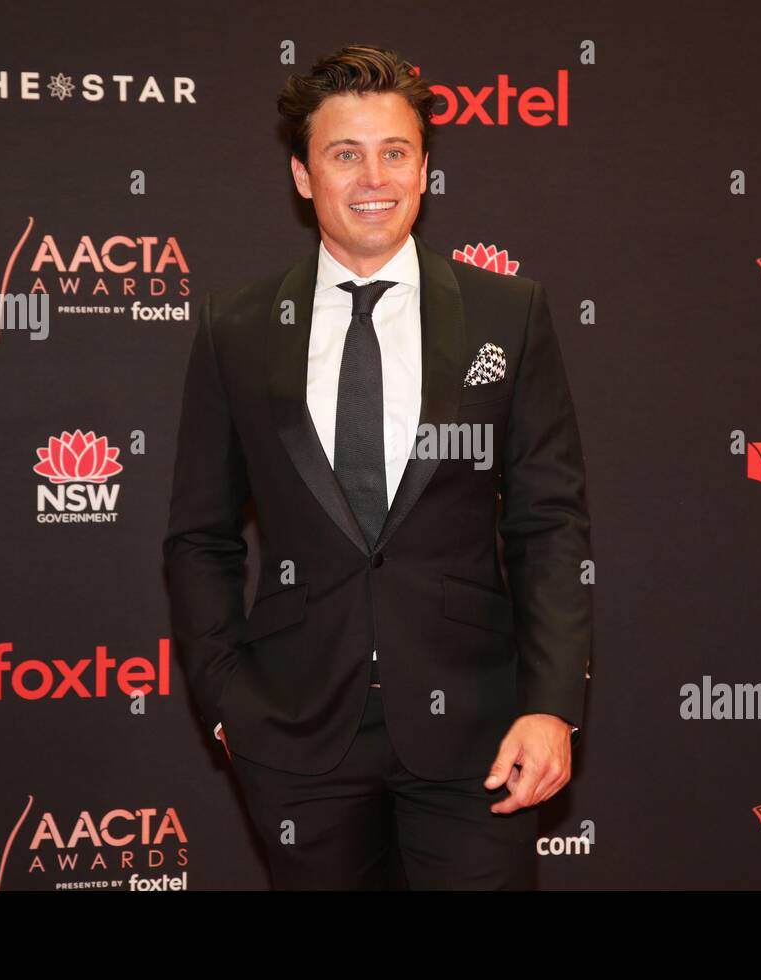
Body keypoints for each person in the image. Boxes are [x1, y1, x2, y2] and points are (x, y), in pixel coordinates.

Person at [162, 43, 592, 889]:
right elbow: (198, 538)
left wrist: (551, 706)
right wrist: (228, 707)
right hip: (296, 730)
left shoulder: (511, 314)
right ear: (301, 173)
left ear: (425, 169)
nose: (373, 178)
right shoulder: (236, 328)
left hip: (478, 729)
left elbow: (549, 526)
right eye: (344, 154)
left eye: (395, 152)